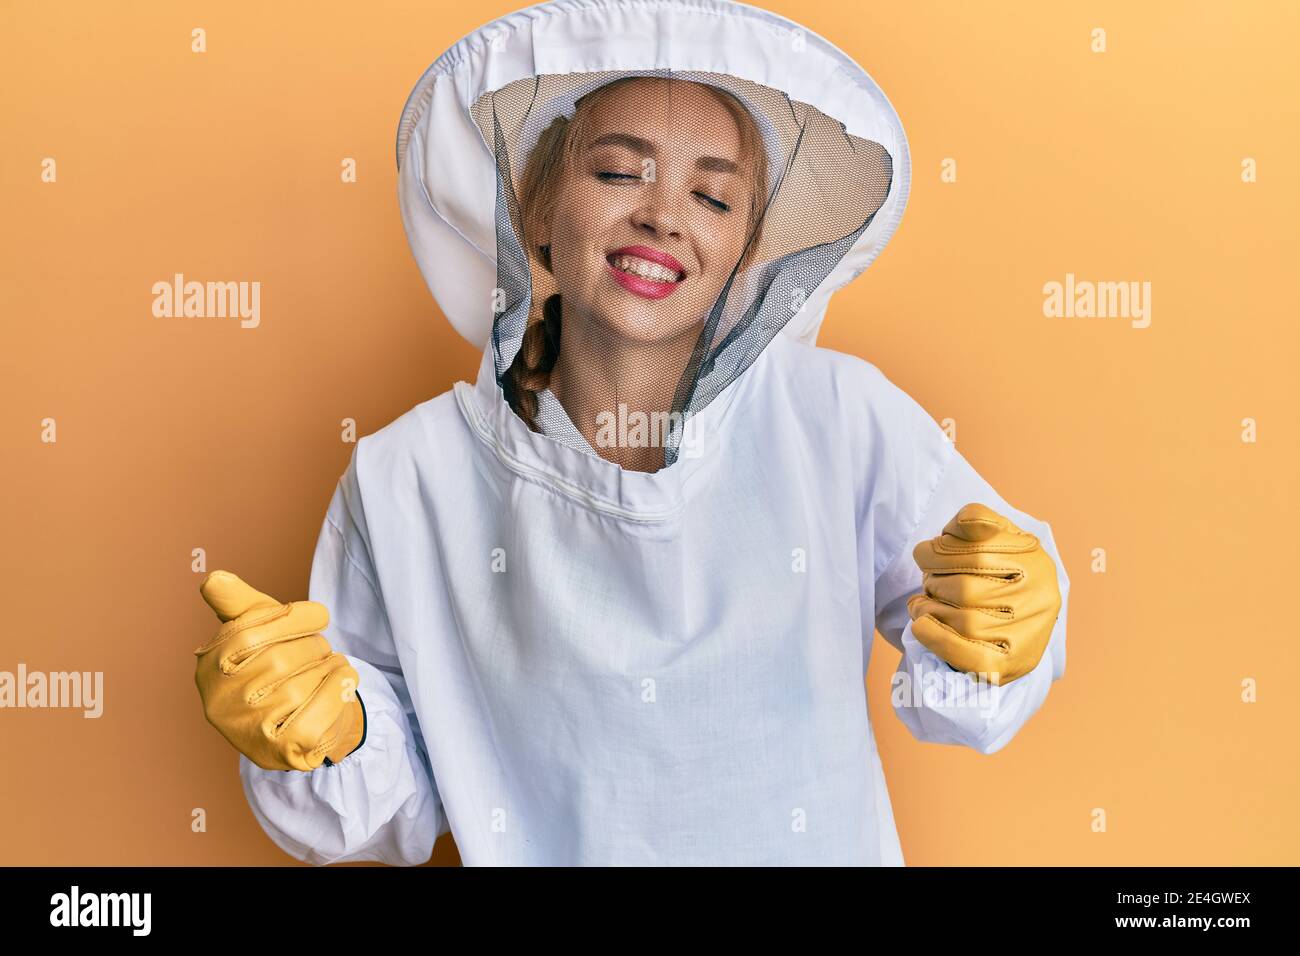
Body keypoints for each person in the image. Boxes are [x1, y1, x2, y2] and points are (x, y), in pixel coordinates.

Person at [194, 0, 1069, 866]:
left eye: (714, 197)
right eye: (618, 173)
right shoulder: (407, 476)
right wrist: (321, 733)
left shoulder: (840, 417)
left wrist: (1007, 624)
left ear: (743, 255)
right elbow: (390, 806)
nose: (663, 214)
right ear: (535, 213)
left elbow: (963, 683)